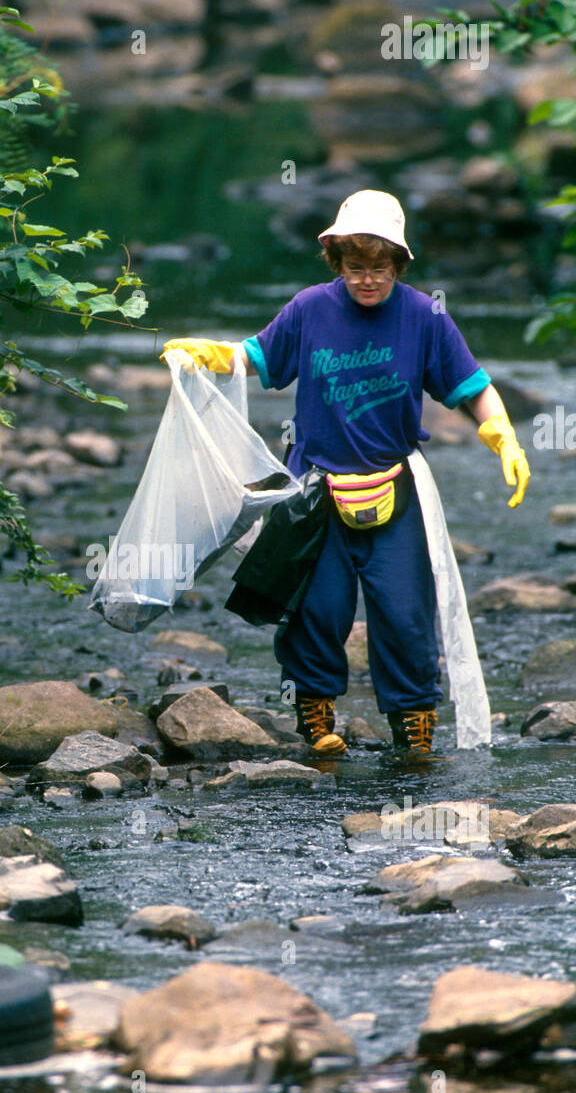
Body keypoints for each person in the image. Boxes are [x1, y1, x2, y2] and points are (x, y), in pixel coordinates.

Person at [162, 189, 530, 758]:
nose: (367, 280)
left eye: (380, 269)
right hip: (316, 492)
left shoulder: (424, 315)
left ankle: (413, 736)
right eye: (356, 268)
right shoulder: (310, 308)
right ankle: (318, 726)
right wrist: (208, 353)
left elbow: (472, 388)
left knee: (406, 615)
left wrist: (501, 433)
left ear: (399, 264)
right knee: (317, 609)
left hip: (397, 491)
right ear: (336, 260)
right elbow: (256, 358)